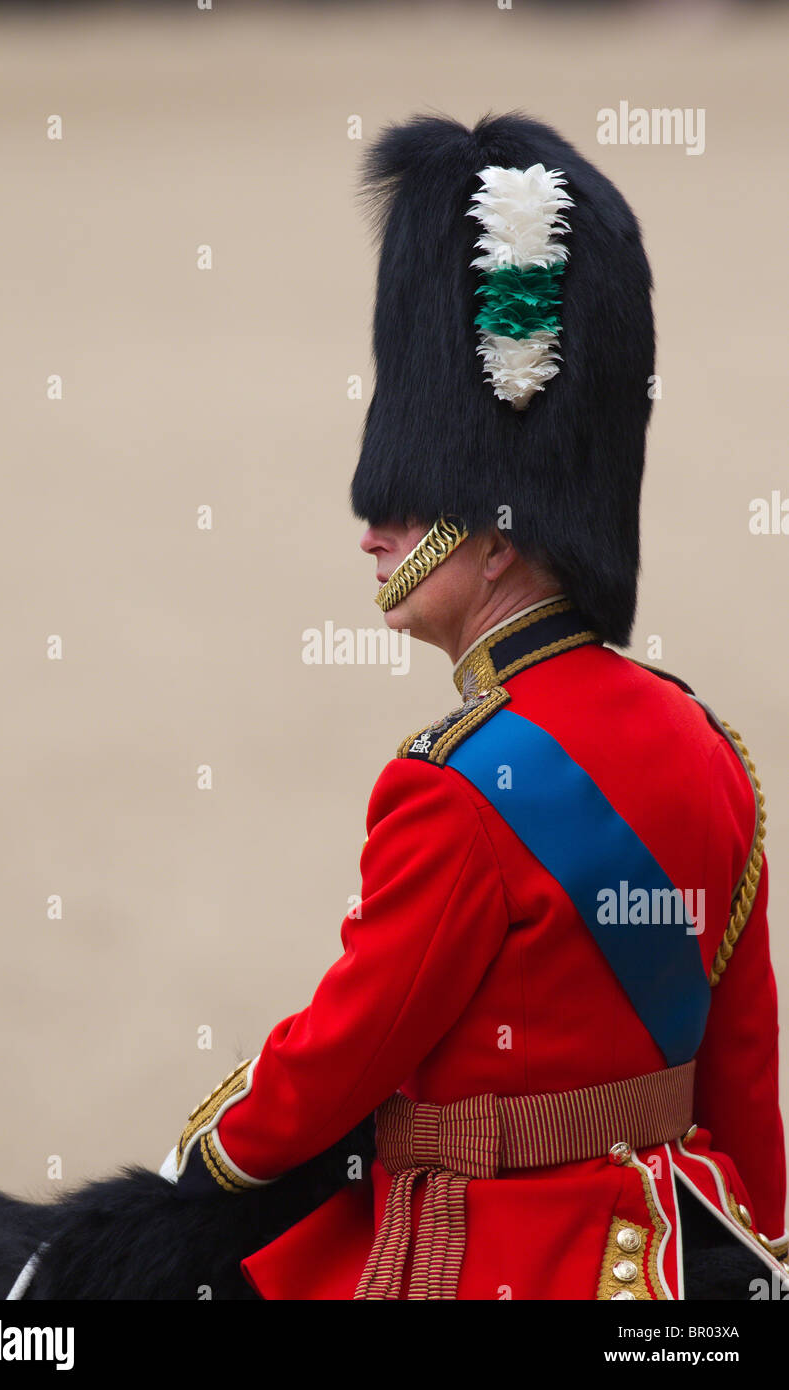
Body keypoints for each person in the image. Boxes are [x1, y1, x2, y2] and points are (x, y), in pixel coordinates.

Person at [163, 113, 788, 1300]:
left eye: (404, 503)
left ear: (494, 533)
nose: (371, 532)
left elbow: (339, 1059)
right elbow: (744, 1088)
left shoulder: (451, 783)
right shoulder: (712, 749)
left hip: (492, 1261)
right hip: (664, 1259)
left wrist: (198, 1164)